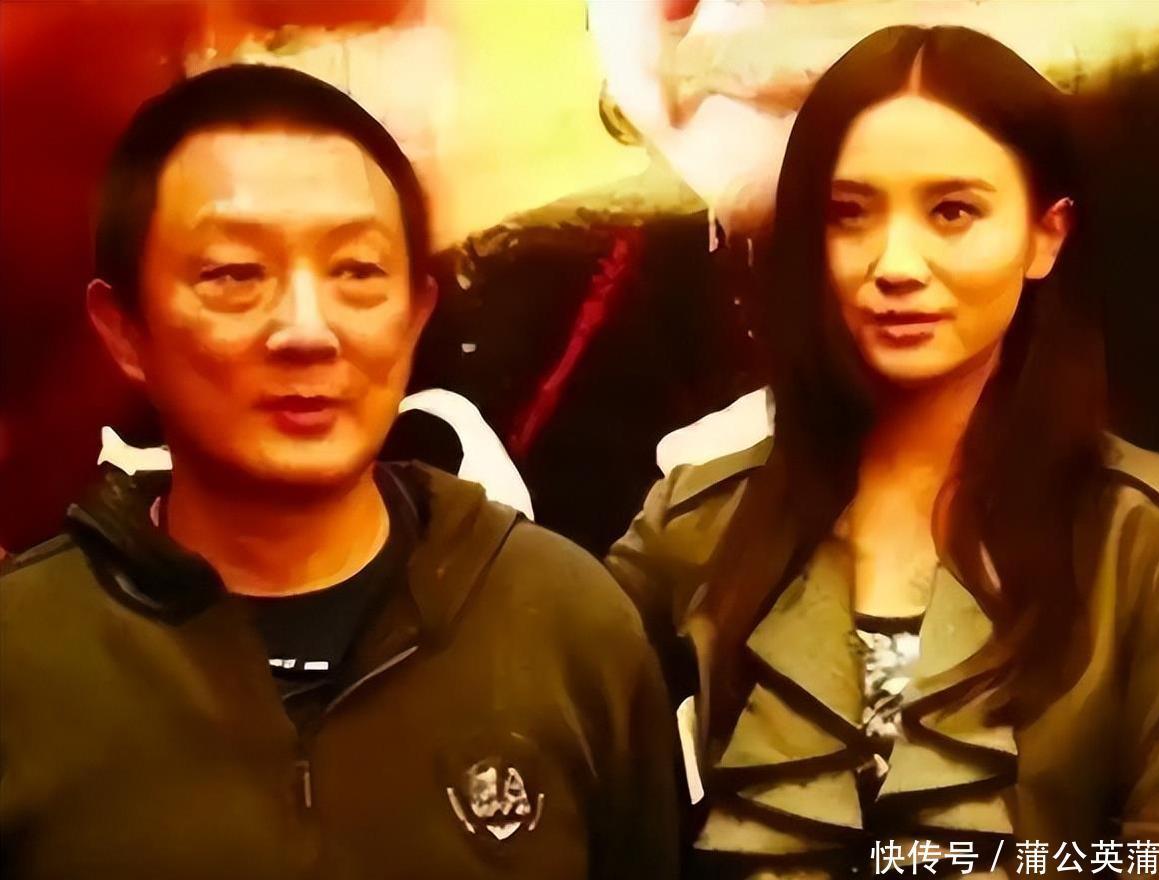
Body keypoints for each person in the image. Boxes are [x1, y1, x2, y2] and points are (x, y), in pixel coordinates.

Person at [0, 65, 677, 880]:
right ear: (123, 330)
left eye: (357, 272)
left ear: (417, 316)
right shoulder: (22, 655)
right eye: (234, 274)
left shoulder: (567, 626)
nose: (307, 330)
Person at [606, 26, 1159, 879]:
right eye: (850, 214)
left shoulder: (1144, 529)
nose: (896, 265)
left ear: (1046, 235)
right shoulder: (701, 518)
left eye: (953, 212)